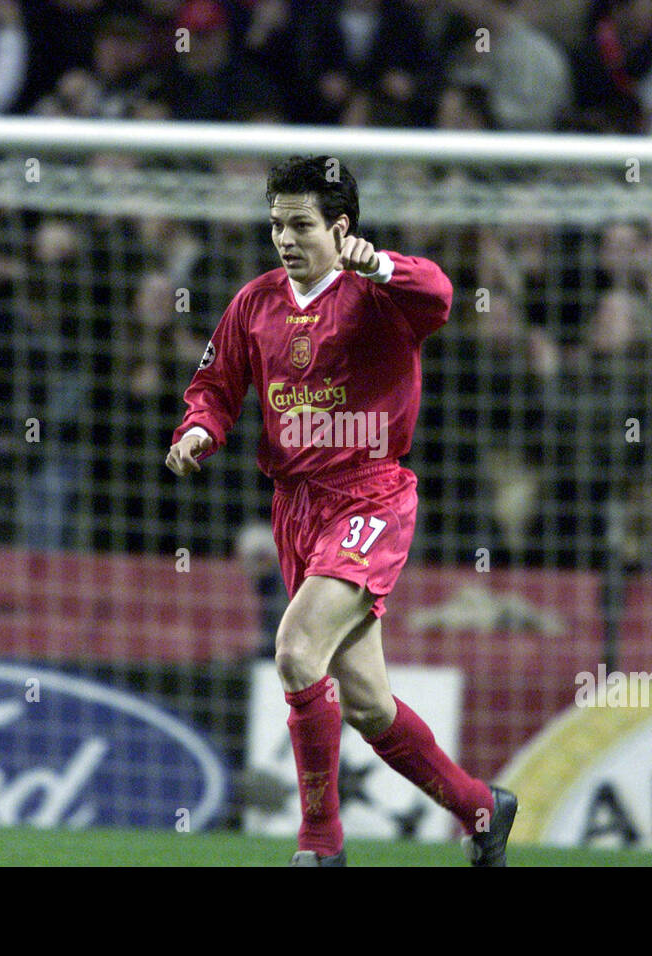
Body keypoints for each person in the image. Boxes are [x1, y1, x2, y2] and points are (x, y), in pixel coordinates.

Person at [165, 155, 517, 866]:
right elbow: (216, 384)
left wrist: (382, 265)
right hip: (295, 508)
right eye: (276, 225)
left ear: (340, 227)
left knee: (296, 652)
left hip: (369, 496)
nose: (286, 239)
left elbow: (439, 295)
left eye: (301, 225)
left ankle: (321, 846)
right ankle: (481, 807)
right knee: (365, 704)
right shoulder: (255, 303)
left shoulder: (376, 295)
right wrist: (199, 429)